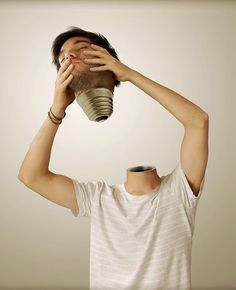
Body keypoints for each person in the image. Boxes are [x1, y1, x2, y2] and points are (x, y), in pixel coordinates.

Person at [18, 27, 209, 290]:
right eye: (62, 57)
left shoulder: (179, 193)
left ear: (105, 58)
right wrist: (56, 109)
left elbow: (198, 121)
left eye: (81, 47)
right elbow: (31, 176)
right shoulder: (99, 200)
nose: (69, 56)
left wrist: (128, 74)